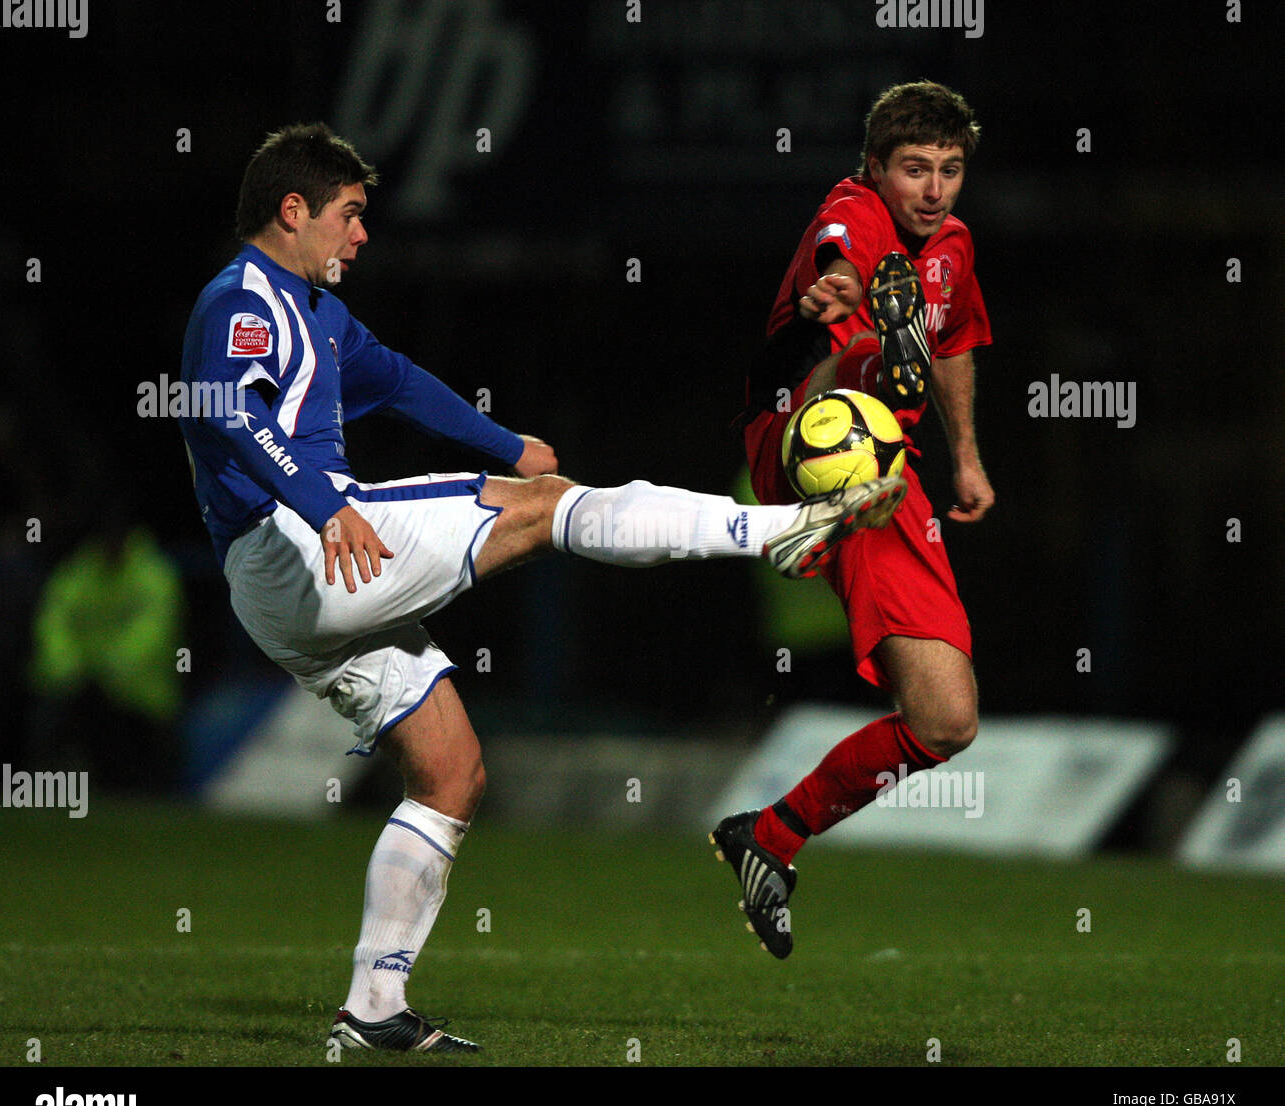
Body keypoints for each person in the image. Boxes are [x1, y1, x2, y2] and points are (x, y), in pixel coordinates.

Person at [178, 123, 904, 1053]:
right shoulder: (240, 299)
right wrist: (325, 505)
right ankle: (780, 527)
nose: (362, 236)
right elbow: (233, 414)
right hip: (293, 545)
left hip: (303, 587)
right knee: (550, 509)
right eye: (351, 216)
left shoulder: (318, 311)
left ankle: (372, 1008)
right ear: (294, 209)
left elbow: (398, 382)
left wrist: (504, 442)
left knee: (450, 773)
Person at [711, 81, 994, 958]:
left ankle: (770, 835)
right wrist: (838, 289)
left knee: (947, 719)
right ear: (877, 167)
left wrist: (970, 458)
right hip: (799, 432)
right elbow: (840, 255)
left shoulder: (952, 244)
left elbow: (950, 346)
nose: (934, 188)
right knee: (878, 356)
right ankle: (867, 392)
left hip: (887, 479)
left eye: (949, 170)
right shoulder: (857, 211)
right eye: (916, 169)